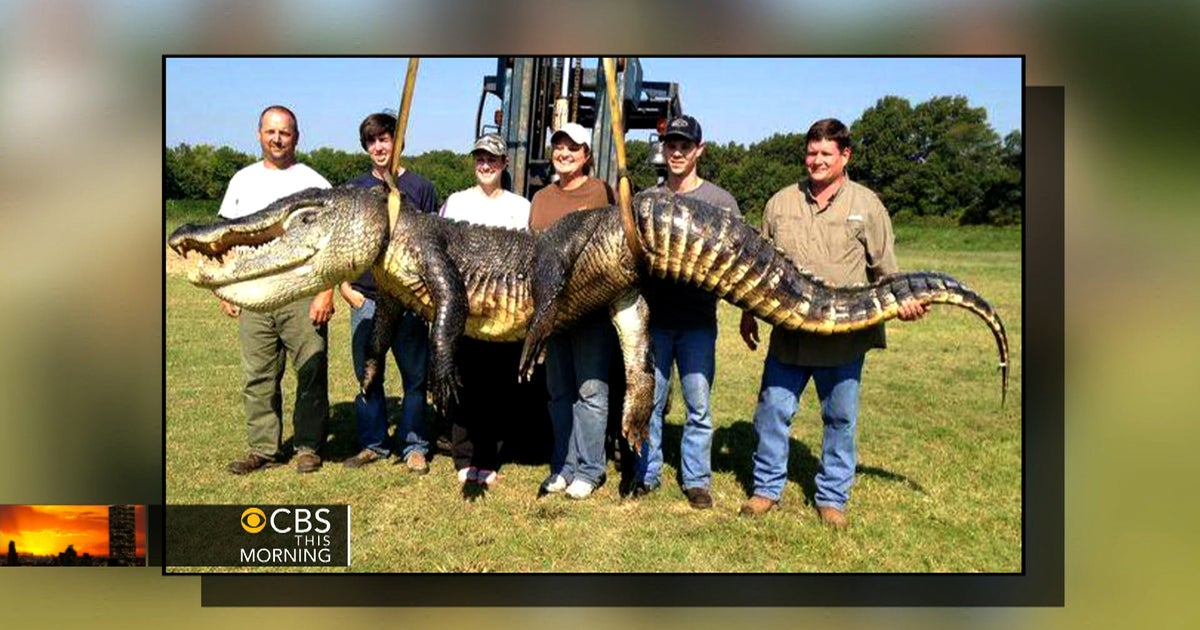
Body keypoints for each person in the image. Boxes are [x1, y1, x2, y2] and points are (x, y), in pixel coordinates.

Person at [738, 118, 928, 527]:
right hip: (789, 333)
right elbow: (759, 265)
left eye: (826, 153)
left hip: (845, 336)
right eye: (811, 152)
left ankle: (832, 498)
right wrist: (748, 312)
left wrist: (905, 303)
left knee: (840, 418)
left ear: (845, 156)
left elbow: (886, 273)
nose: (817, 161)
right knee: (772, 411)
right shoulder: (780, 203)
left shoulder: (868, 205)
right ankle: (766, 489)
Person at [631, 115, 740, 510]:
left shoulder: (721, 202)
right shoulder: (646, 199)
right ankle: (647, 473)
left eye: (684, 146)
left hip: (697, 322)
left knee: (698, 406)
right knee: (651, 402)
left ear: (699, 150)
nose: (676, 152)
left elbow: (737, 262)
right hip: (655, 319)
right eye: (670, 145)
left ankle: (696, 481)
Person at [218, 105, 333, 475]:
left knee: (311, 371)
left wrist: (325, 292)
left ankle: (308, 447)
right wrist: (226, 289)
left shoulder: (315, 184)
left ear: (296, 137)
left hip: (302, 291)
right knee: (258, 375)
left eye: (284, 132)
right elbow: (224, 239)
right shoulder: (242, 181)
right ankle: (263, 448)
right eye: (271, 131)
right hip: (255, 293)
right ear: (259, 134)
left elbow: (333, 244)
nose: (277, 138)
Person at [339, 112, 438, 475]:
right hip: (367, 299)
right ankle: (373, 443)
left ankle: (415, 446)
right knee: (369, 375)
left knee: (415, 378)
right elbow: (342, 245)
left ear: (399, 141)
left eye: (385, 139)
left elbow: (432, 247)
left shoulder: (421, 188)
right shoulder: (354, 188)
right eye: (372, 141)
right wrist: (346, 288)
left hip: (409, 301)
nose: (379, 147)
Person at [528, 122, 616, 499]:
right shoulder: (542, 197)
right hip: (553, 310)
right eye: (559, 146)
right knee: (559, 393)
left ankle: (590, 469)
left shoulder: (602, 192)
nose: (564, 153)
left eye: (573, 148)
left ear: (587, 155)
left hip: (590, 308)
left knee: (591, 392)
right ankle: (562, 466)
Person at [440, 133, 532, 488]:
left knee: (498, 387)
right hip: (465, 311)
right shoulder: (456, 202)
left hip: (503, 314)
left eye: (492, 159)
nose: (485, 164)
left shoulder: (521, 206)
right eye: (480, 158)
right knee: (465, 384)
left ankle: (489, 457)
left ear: (504, 164)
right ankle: (464, 455)